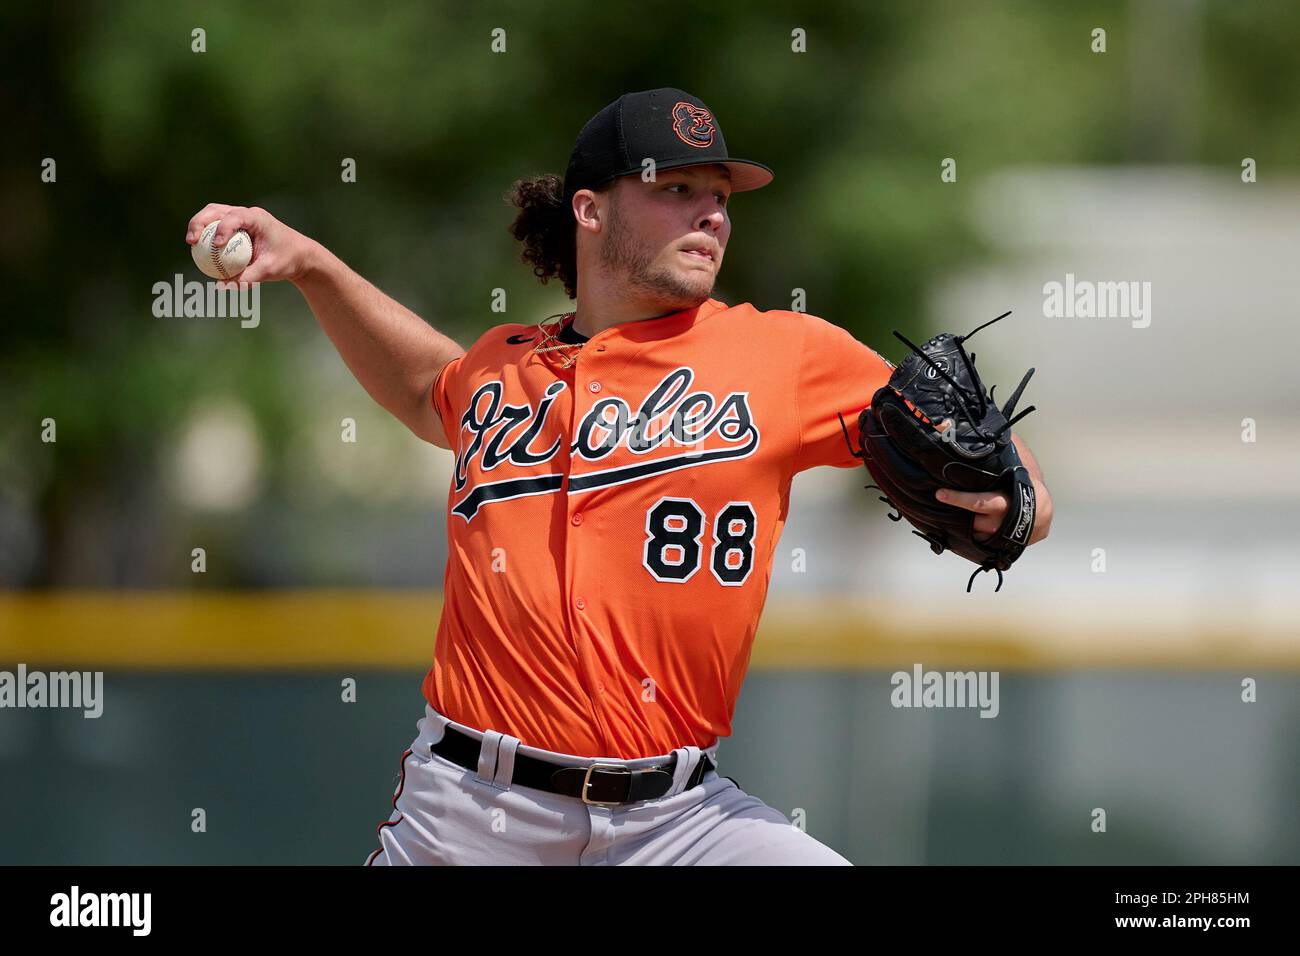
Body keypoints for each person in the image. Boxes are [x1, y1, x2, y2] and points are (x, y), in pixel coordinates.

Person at [185, 86, 1052, 866]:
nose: (709, 215)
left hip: (681, 823)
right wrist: (311, 264)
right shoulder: (504, 366)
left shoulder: (786, 355)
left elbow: (989, 465)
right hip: (473, 814)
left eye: (718, 197)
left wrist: (1016, 504)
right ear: (591, 210)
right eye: (676, 190)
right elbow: (423, 386)